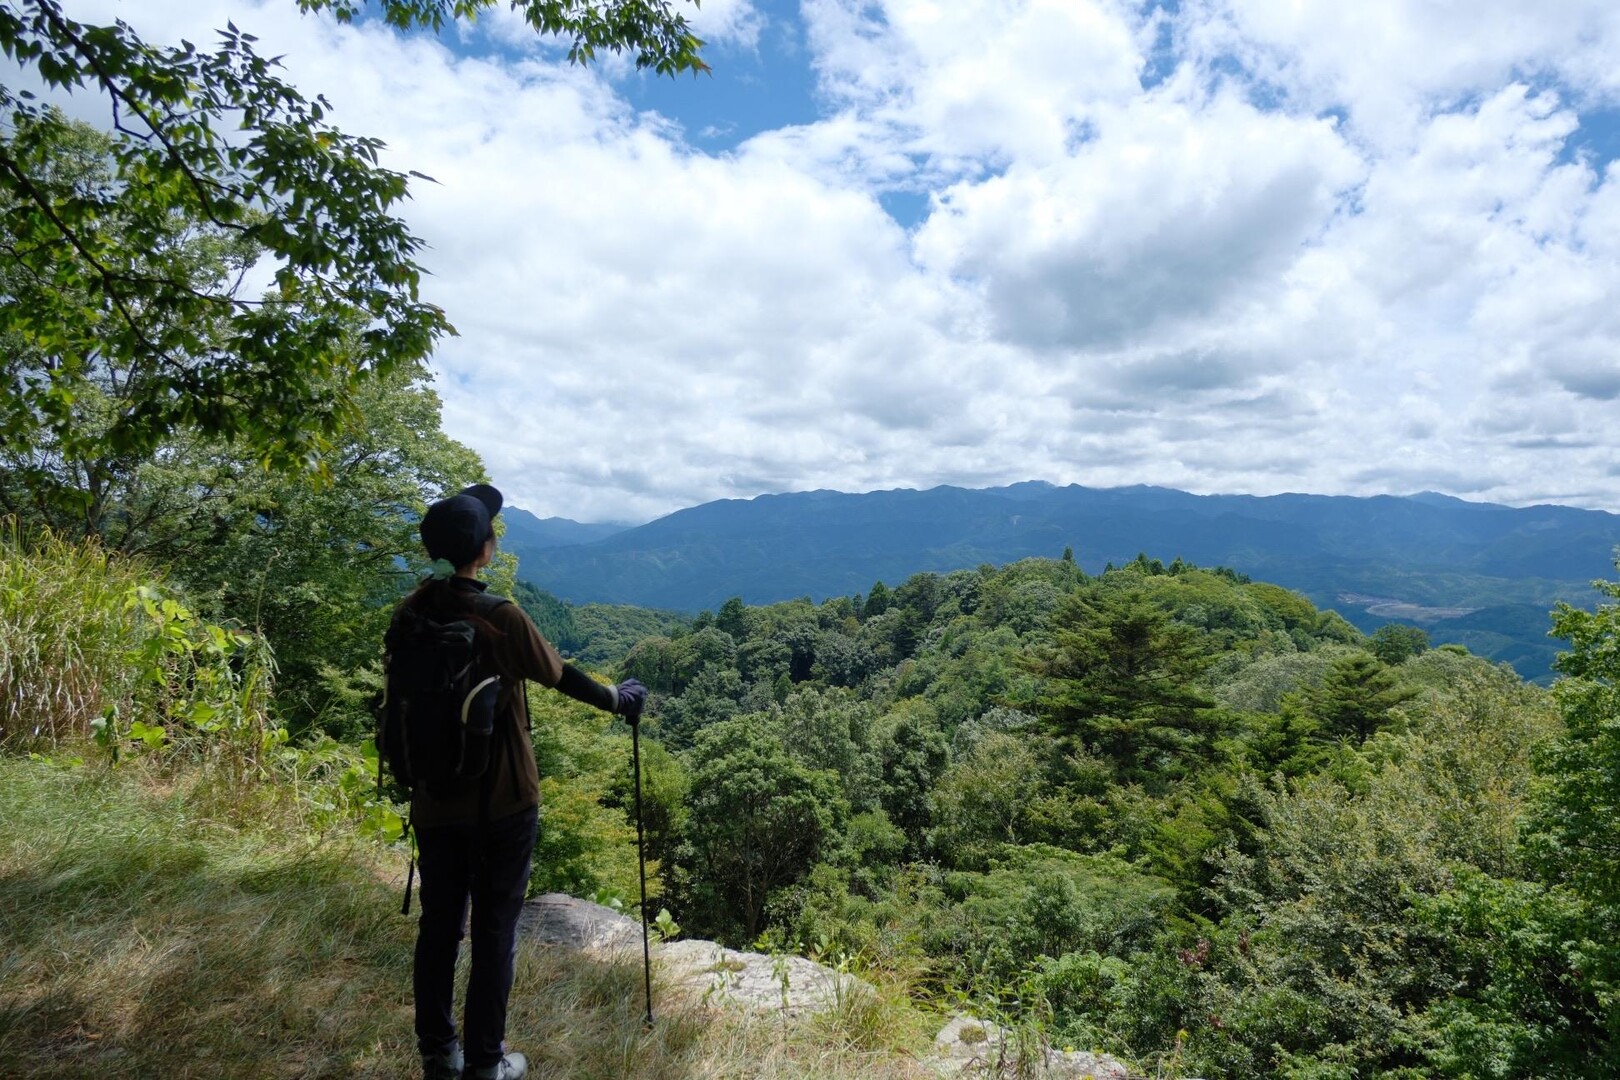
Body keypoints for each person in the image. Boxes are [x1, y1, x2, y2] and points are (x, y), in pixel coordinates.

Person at [395, 483, 646, 1080]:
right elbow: (559, 676)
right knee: (494, 931)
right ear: (483, 548)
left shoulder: (409, 614)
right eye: (491, 530)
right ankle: (486, 1064)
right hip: (503, 801)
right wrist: (619, 699)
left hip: (433, 799)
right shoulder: (499, 616)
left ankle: (439, 1055)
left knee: (439, 928)